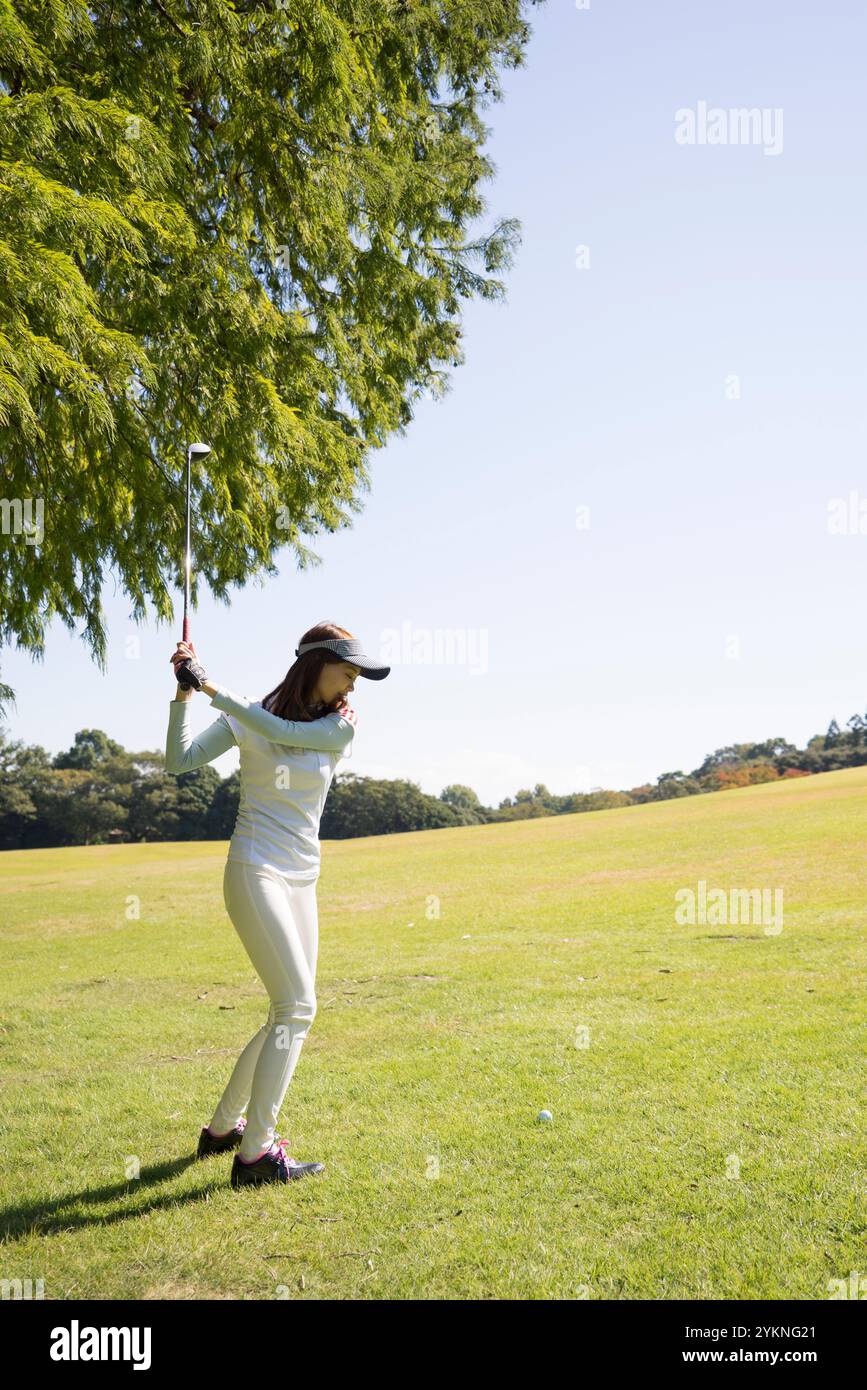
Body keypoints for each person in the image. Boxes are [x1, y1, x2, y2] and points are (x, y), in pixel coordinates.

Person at [164, 621, 390, 1188]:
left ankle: (222, 1130)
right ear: (316, 664)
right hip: (254, 869)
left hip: (302, 878)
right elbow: (180, 759)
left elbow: (279, 729)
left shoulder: (340, 725)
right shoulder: (247, 713)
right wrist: (185, 695)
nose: (354, 686)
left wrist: (214, 688)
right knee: (297, 1007)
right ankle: (256, 1154)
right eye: (348, 671)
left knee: (285, 1011)